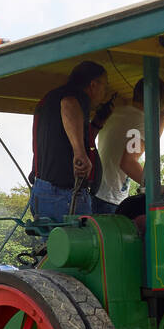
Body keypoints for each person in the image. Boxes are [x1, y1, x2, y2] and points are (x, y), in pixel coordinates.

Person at [30, 61, 112, 220]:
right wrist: (80, 154)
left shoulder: (49, 99)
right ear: (93, 85)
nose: (105, 92)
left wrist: (97, 124)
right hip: (64, 195)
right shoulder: (76, 97)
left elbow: (64, 138)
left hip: (43, 191)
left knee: (54, 244)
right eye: (105, 86)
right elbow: (68, 105)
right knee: (79, 244)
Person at [95, 79, 164, 214]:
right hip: (109, 197)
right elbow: (128, 163)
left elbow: (153, 139)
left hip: (97, 191)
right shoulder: (141, 121)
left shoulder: (117, 113)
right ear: (160, 101)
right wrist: (158, 189)